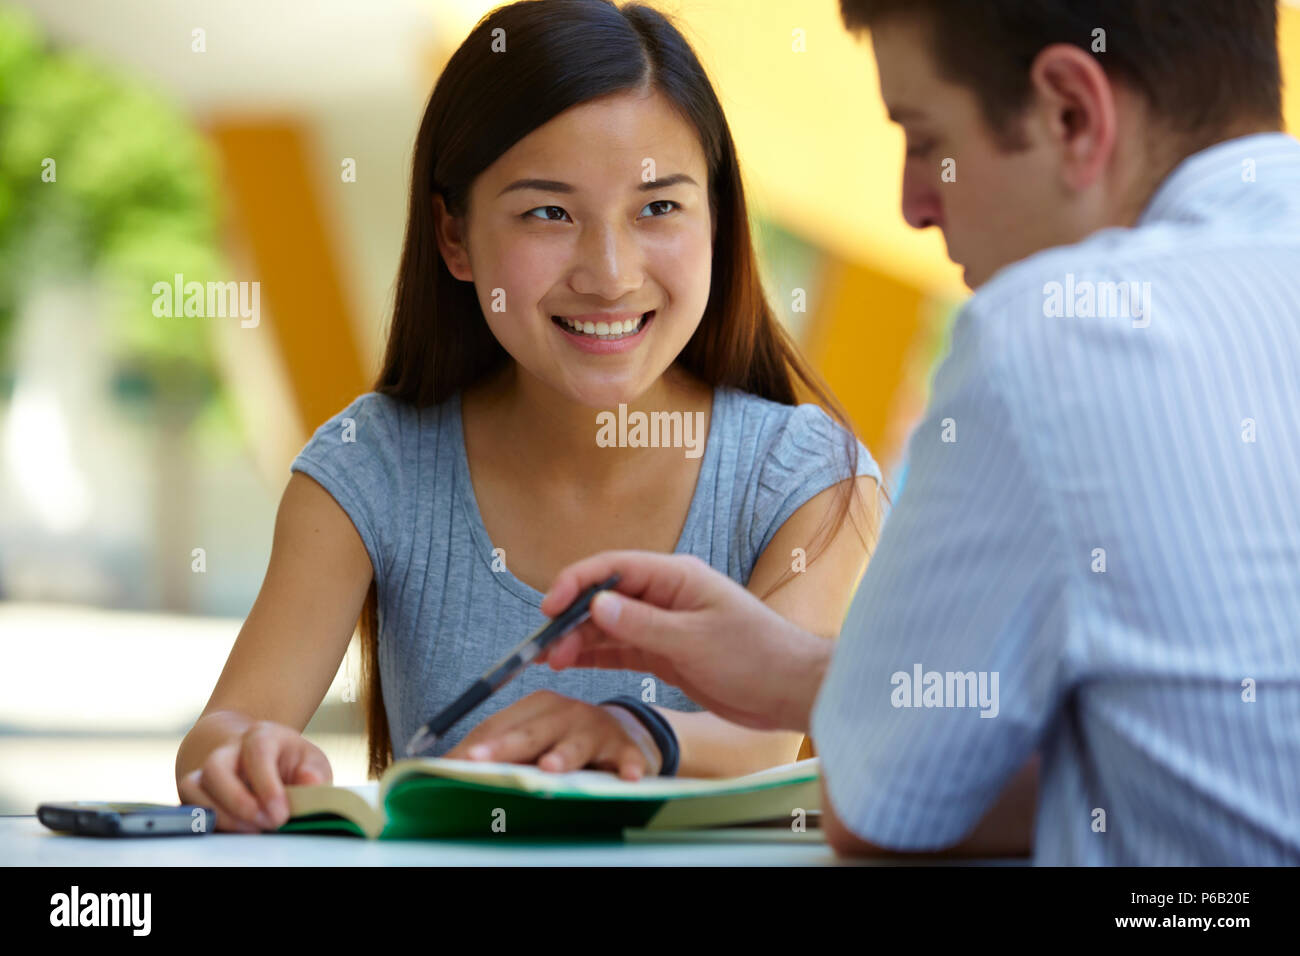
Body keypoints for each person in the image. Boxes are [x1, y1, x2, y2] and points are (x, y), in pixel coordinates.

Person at [521, 0, 1300, 864]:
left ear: (1071, 113)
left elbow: (888, 811)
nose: (913, 203)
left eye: (927, 140)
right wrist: (808, 676)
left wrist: (844, 705)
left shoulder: (1051, 337)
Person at [174, 0, 883, 833]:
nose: (611, 274)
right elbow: (224, 731)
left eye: (659, 208)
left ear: (719, 221)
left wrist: (626, 733)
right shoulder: (371, 466)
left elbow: (766, 731)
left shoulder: (810, 479)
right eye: (549, 212)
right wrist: (239, 757)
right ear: (455, 237)